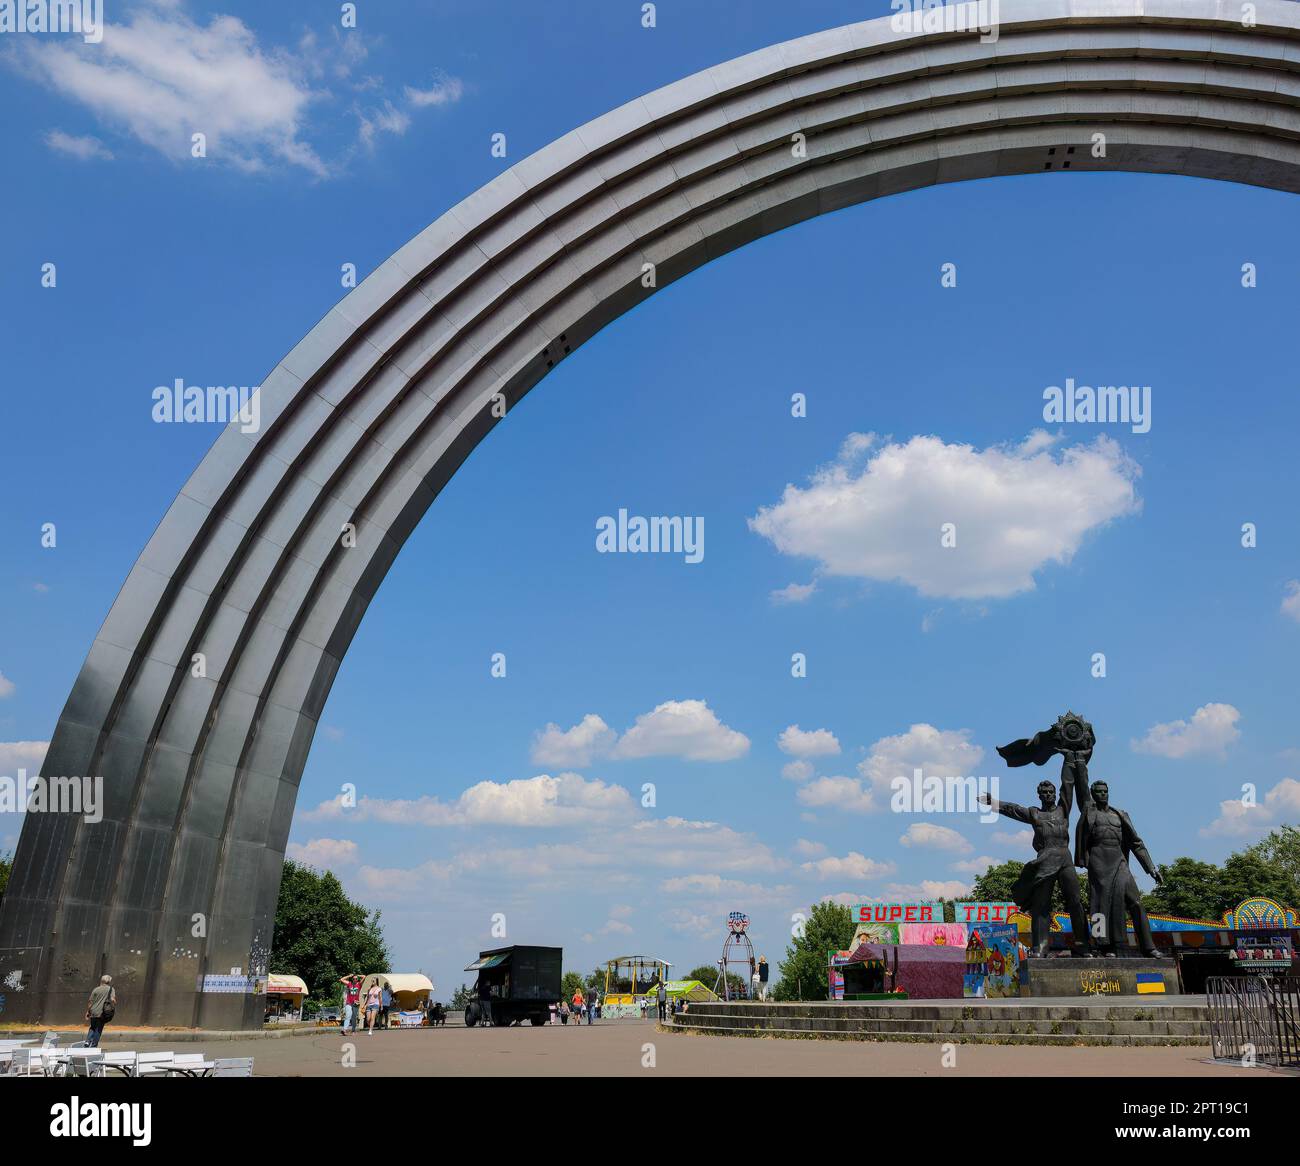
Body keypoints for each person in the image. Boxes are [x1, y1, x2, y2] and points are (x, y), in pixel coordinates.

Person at [84, 975, 116, 1048]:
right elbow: (113, 999)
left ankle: (87, 1041)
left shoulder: (96, 989)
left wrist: (88, 1012)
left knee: (92, 1027)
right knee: (98, 1029)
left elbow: (90, 1002)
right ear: (109, 981)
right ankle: (94, 1046)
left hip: (93, 1011)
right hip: (102, 1012)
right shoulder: (111, 989)